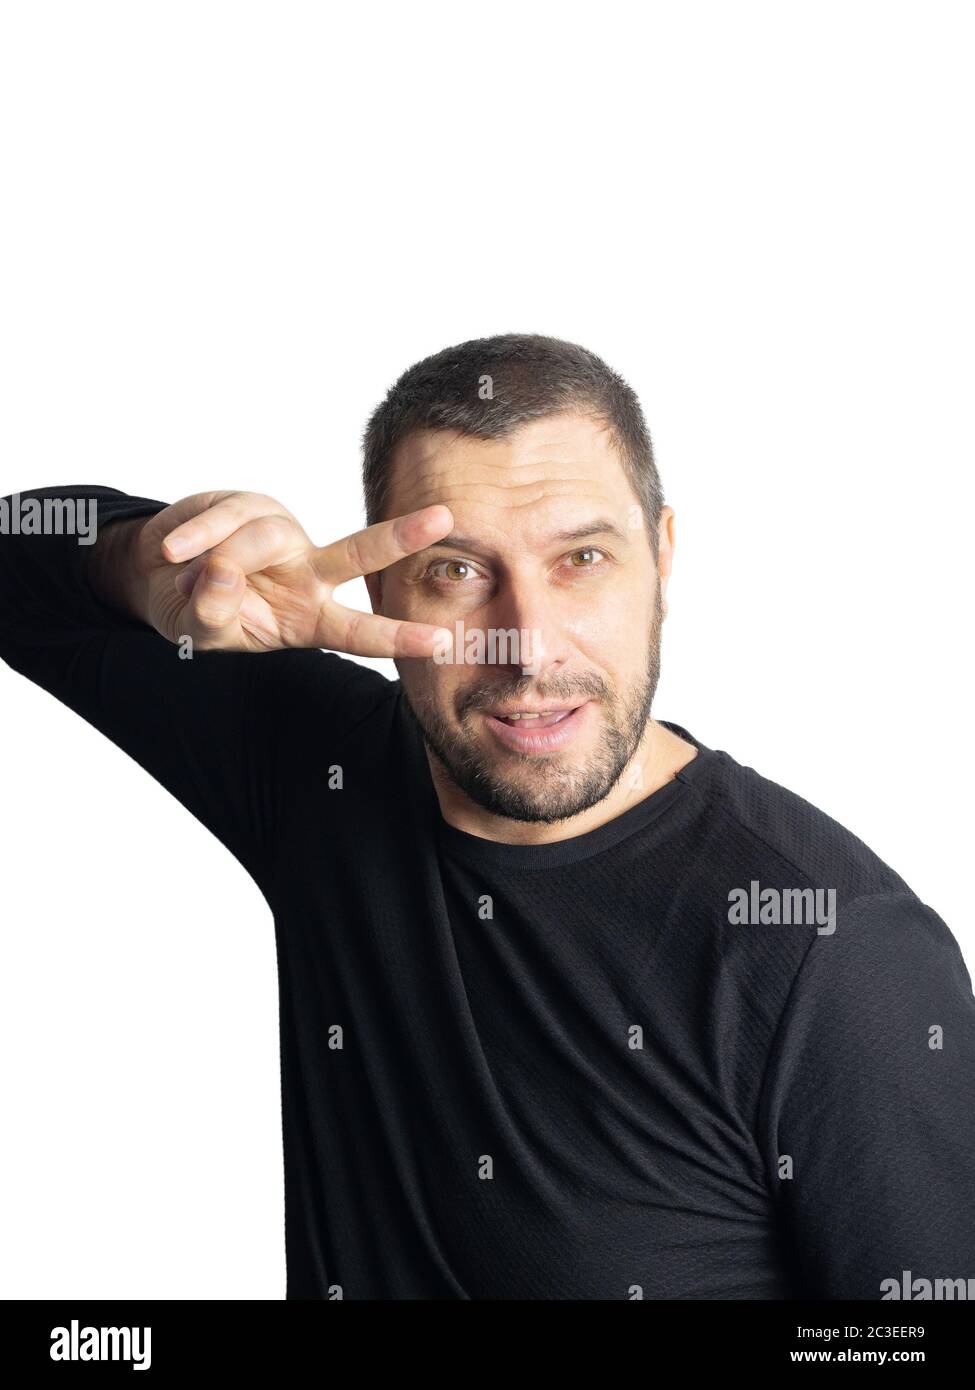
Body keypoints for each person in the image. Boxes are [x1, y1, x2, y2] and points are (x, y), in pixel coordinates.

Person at [2, 333, 973, 1300]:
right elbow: (15, 553)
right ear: (376, 586)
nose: (527, 645)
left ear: (662, 557)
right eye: (458, 571)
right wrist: (150, 566)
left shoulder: (832, 952)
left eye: (581, 557)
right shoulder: (322, 769)